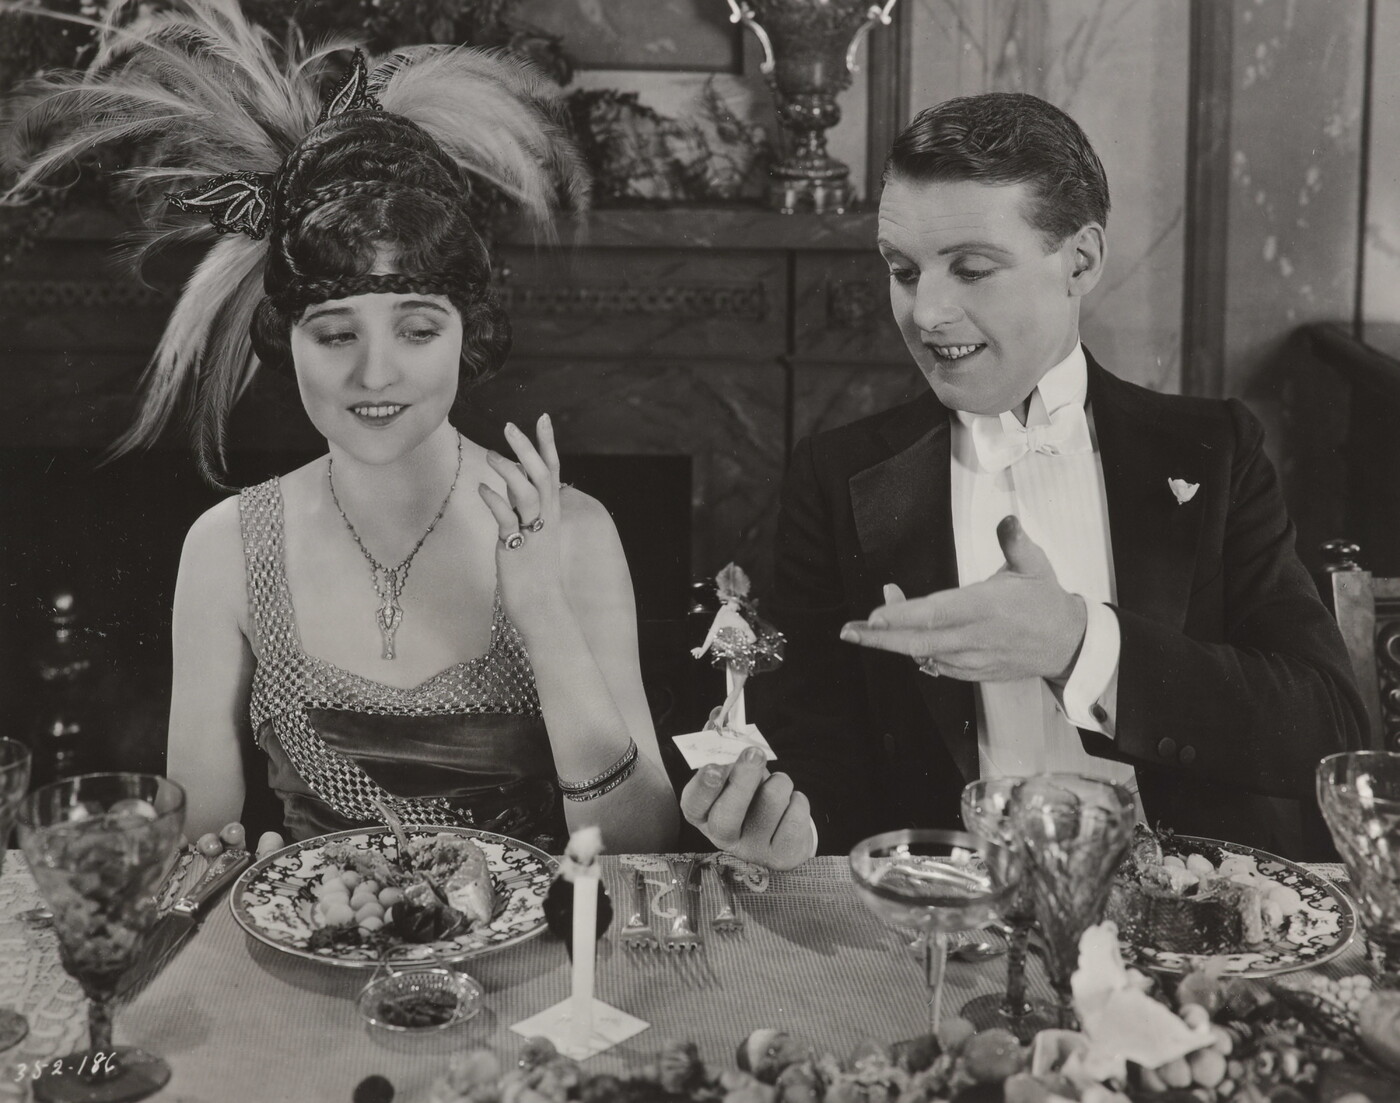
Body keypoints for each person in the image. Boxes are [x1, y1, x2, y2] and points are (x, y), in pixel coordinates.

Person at [4, 0, 679, 851]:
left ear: (469, 334)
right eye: (335, 334)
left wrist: (542, 611)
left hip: (532, 941)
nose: (376, 373)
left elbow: (642, 850)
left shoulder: (573, 532)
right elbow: (197, 854)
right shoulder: (224, 548)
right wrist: (223, 861)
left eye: (418, 329)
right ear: (285, 341)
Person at [681, 92, 1365, 867]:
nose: (925, 312)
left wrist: (1077, 641)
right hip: (949, 918)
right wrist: (787, 826)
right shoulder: (836, 476)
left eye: (971, 269)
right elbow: (820, 757)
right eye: (903, 270)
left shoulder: (1217, 450)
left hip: (1184, 912)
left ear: (1081, 261)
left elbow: (1328, 729)